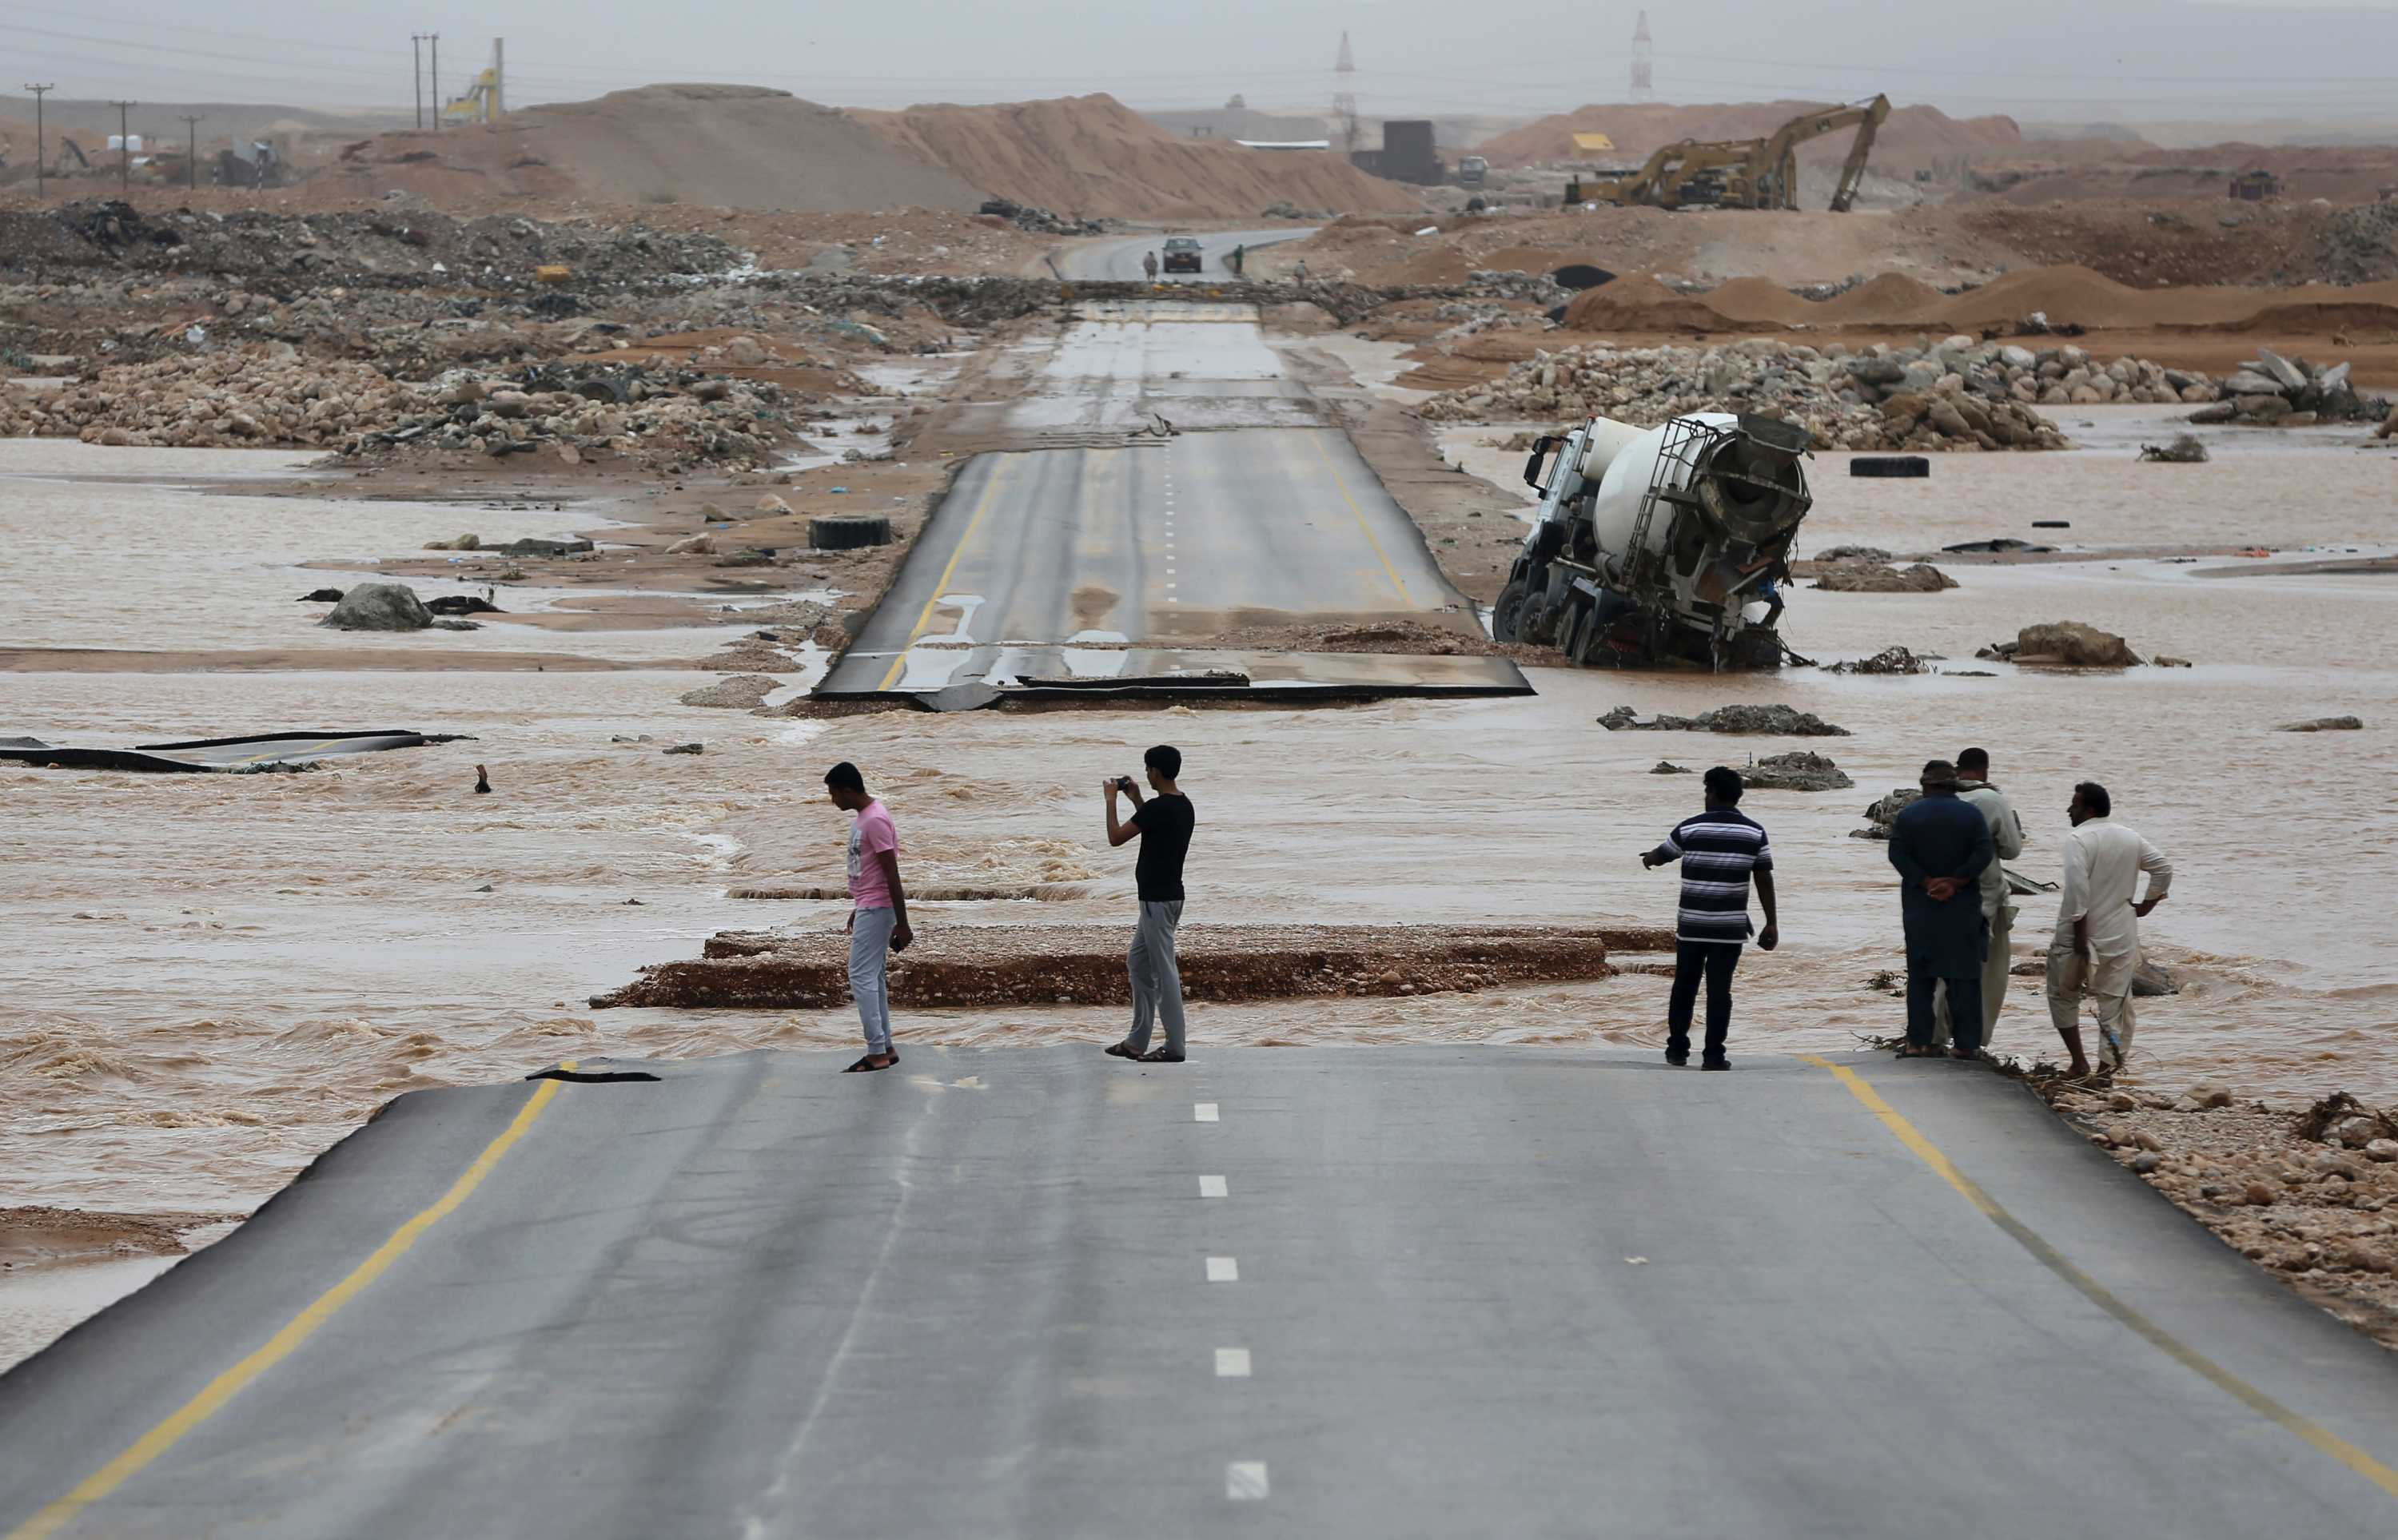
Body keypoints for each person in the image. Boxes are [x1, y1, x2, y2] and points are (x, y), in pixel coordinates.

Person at [1641, 766, 1779, 1071]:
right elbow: (1764, 879)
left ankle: (1677, 1049)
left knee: (1684, 986)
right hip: (1729, 930)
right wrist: (1771, 923)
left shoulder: (1690, 828)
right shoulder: (1754, 832)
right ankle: (1714, 1055)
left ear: (1712, 793)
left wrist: (1648, 859)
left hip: (1692, 926)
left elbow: (1663, 854)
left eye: (1706, 791)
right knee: (1720, 991)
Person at [2048, 781, 2173, 1079]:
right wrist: (2146, 905)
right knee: (2113, 1005)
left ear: (2088, 810)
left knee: (2063, 996)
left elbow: (2078, 888)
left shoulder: (2078, 839)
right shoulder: (2130, 837)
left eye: (2074, 805)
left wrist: (2079, 933)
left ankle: (2079, 1062)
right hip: (2119, 934)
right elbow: (2163, 868)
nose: (2069, 809)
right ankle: (2106, 1070)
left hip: (2076, 934)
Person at [1888, 760, 1996, 1060]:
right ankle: (1966, 1045)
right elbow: (1984, 853)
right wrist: (1957, 881)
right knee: (1964, 979)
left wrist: (1925, 882)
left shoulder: (1909, 815)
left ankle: (1918, 1043)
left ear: (1925, 785)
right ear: (1954, 786)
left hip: (1921, 909)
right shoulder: (1971, 815)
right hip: (1961, 909)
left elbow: (1896, 853)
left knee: (1921, 978)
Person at [1102, 745, 1195, 1064]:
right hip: (1165, 898)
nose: (1146, 774)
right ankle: (1137, 1041)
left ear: (1154, 771)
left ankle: (1175, 1045)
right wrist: (1136, 799)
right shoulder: (1182, 805)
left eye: (1147, 769)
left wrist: (1111, 800)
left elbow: (1116, 837)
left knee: (1164, 970)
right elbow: (1154, 826)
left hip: (1157, 899)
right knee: (1138, 963)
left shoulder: (1158, 809)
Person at [1931, 746, 2026, 1053]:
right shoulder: (1992, 800)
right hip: (1983, 898)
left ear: (1959, 769)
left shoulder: (1942, 798)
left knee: (1939, 970)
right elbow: (2012, 850)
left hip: (1937, 895)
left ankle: (1932, 1035)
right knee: (1984, 974)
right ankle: (1970, 1040)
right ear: (1985, 770)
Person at [824, 762, 912, 1073]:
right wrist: (858, 903)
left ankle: (876, 1053)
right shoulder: (866, 817)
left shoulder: (875, 820)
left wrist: (902, 923)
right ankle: (885, 1047)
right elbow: (870, 870)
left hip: (878, 908)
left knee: (860, 976)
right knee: (871, 976)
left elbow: (892, 872)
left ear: (847, 790)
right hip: (870, 905)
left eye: (833, 793)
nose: (832, 799)